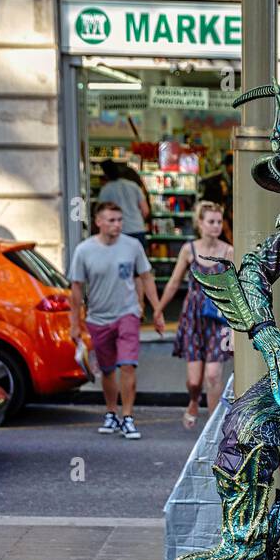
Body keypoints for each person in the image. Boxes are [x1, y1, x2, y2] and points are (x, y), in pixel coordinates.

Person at [69, 202, 164, 439]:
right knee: (108, 370)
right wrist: (74, 324)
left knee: (128, 364)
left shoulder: (132, 246)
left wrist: (157, 310)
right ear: (98, 222)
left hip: (127, 314)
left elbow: (146, 276)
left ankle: (128, 417)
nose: (117, 224)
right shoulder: (84, 250)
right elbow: (77, 289)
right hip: (98, 318)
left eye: (120, 220)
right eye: (111, 220)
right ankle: (111, 412)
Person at [154, 201, 234, 428]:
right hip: (192, 317)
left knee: (213, 375)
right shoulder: (189, 250)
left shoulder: (228, 251)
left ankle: (213, 426)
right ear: (200, 223)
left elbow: (236, 289)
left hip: (218, 318)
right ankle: (192, 401)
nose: (216, 226)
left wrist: (238, 327)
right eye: (211, 221)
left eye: (219, 222)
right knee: (194, 380)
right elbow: (174, 282)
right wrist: (158, 310)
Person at [97, 160, 151, 250]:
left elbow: (100, 213)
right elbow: (145, 211)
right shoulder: (133, 186)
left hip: (119, 231)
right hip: (138, 229)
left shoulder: (106, 190)